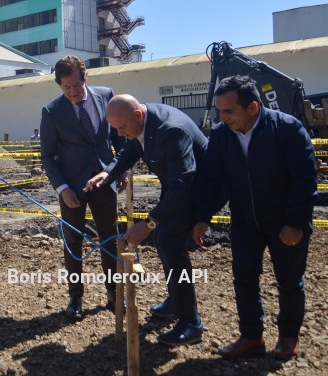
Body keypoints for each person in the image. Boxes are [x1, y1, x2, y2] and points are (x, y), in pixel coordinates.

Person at [193, 76, 317, 361]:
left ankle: (288, 337)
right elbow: (212, 180)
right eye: (219, 112)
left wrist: (295, 223)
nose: (222, 118)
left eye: (228, 112)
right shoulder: (222, 136)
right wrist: (203, 217)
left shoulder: (287, 130)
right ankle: (251, 336)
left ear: (252, 107)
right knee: (244, 278)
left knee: (288, 281)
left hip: (285, 222)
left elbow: (304, 179)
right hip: (246, 223)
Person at [86, 94, 208, 346]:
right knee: (164, 240)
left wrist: (149, 223)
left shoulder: (171, 131)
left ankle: (190, 321)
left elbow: (184, 184)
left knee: (169, 241)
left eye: (121, 128)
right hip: (175, 185)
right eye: (115, 129)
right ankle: (177, 302)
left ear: (138, 115)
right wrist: (107, 173)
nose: (120, 134)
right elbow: (128, 152)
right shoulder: (140, 125)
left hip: (196, 188)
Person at [40, 55, 125, 320]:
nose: (73, 92)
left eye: (76, 85)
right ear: (59, 86)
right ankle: (75, 296)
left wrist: (119, 169)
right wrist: (62, 188)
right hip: (72, 187)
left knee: (109, 237)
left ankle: (113, 291)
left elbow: (119, 136)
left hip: (104, 178)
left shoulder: (106, 96)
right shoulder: (52, 111)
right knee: (73, 241)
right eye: (66, 87)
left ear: (85, 78)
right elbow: (47, 156)